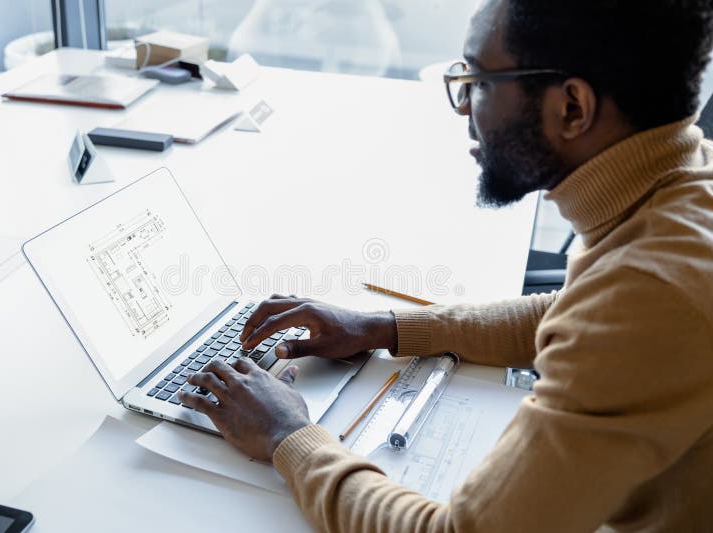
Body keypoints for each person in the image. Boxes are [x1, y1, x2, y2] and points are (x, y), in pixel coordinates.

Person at [179, 0, 713, 530]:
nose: (462, 107)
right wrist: (381, 328)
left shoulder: (649, 294)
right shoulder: (682, 191)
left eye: (479, 81)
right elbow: (573, 309)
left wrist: (286, 435)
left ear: (572, 107)